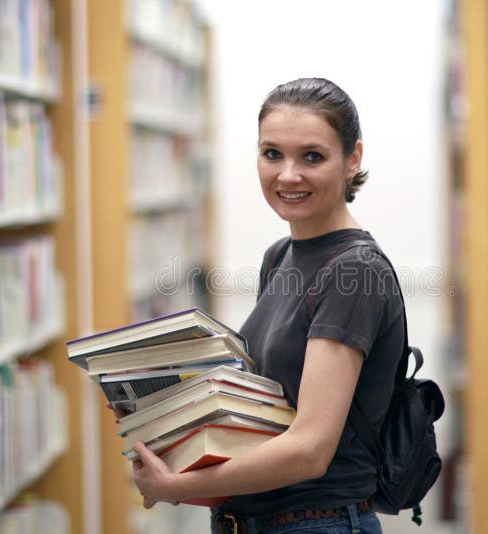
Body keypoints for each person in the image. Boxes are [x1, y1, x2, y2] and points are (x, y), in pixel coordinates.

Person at [131, 77, 405, 534]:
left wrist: (178, 487)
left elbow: (310, 450)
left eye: (312, 156)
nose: (288, 175)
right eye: (272, 154)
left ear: (352, 158)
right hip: (256, 519)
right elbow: (267, 410)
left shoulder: (354, 272)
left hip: (317, 523)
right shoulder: (280, 256)